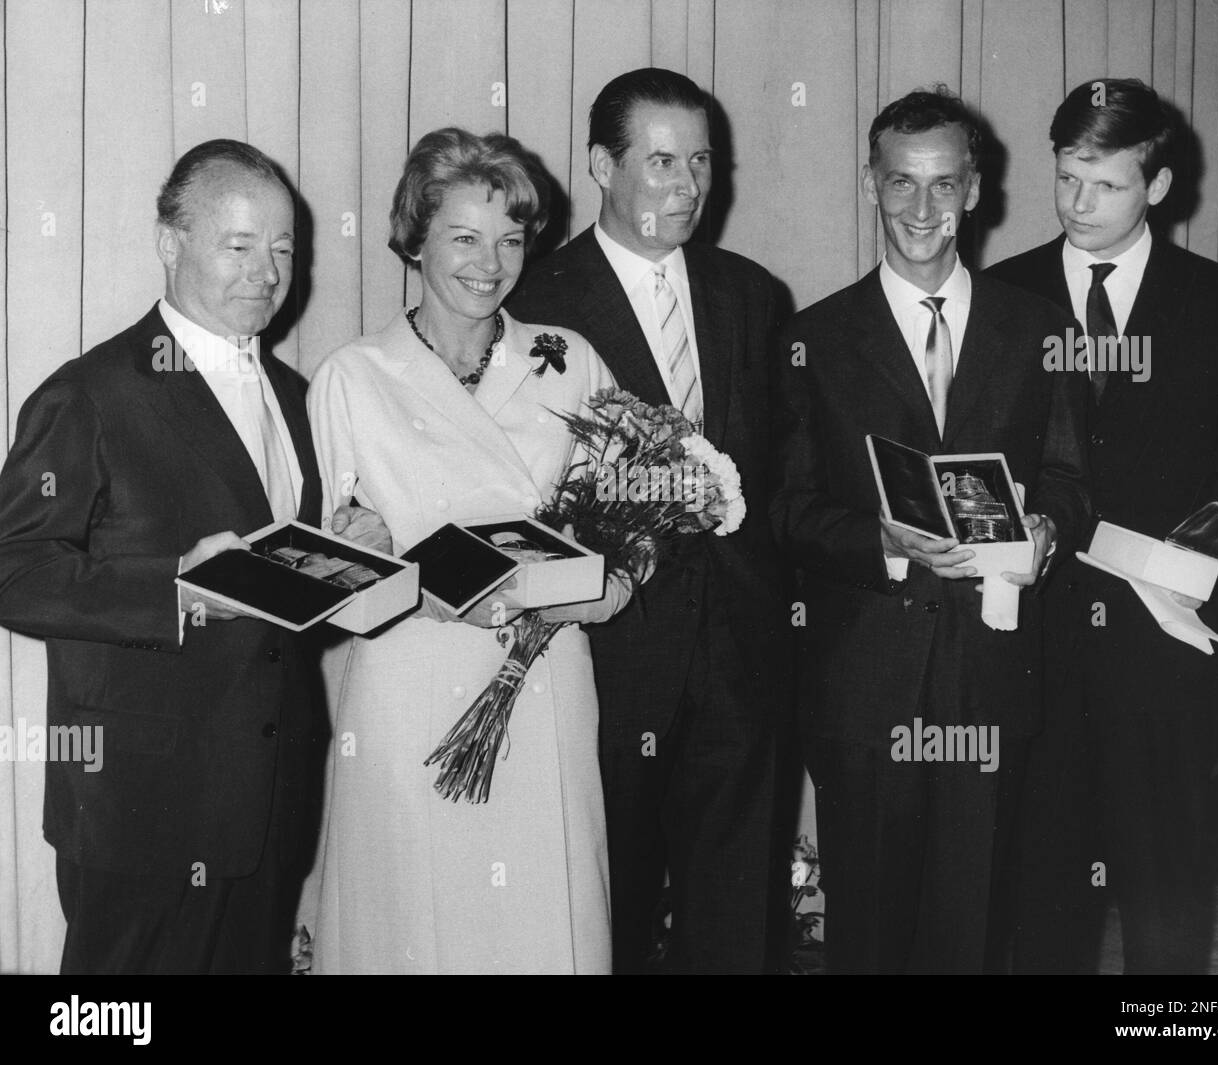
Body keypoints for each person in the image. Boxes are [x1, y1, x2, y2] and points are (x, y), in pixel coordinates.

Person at [0, 139, 356, 973]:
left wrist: (346, 550)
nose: (266, 272)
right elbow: (13, 569)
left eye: (282, 250)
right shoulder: (88, 393)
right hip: (141, 806)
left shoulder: (300, 398)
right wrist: (181, 592)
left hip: (267, 795)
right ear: (170, 243)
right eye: (239, 246)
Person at [769, 88, 1091, 974]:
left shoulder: (1040, 329)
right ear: (870, 184)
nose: (923, 210)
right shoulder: (814, 339)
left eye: (943, 186)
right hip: (868, 684)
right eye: (902, 184)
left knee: (978, 928)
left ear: (975, 191)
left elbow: (1070, 481)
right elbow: (787, 509)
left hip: (992, 680)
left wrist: (1045, 532)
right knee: (870, 935)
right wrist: (883, 539)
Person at [303, 128, 629, 974]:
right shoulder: (353, 376)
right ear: (414, 238)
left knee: (538, 920)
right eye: (464, 237)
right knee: (414, 917)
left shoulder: (571, 362)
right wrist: (359, 556)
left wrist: (602, 591)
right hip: (409, 687)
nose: (491, 263)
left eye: (511, 239)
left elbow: (623, 538)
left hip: (542, 679)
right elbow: (340, 587)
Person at [987, 78, 1218, 974]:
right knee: (1037, 886)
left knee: (1165, 890)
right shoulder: (997, 298)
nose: (1079, 203)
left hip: (1166, 653)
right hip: (1033, 644)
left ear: (1156, 187)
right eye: (1067, 177)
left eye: (1106, 184)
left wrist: (1184, 562)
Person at [508, 68, 793, 974]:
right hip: (609, 653)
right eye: (661, 159)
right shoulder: (536, 305)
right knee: (607, 907)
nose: (687, 183)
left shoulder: (753, 295)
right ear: (602, 164)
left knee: (737, 909)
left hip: (743, 657)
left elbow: (782, 474)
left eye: (701, 160)